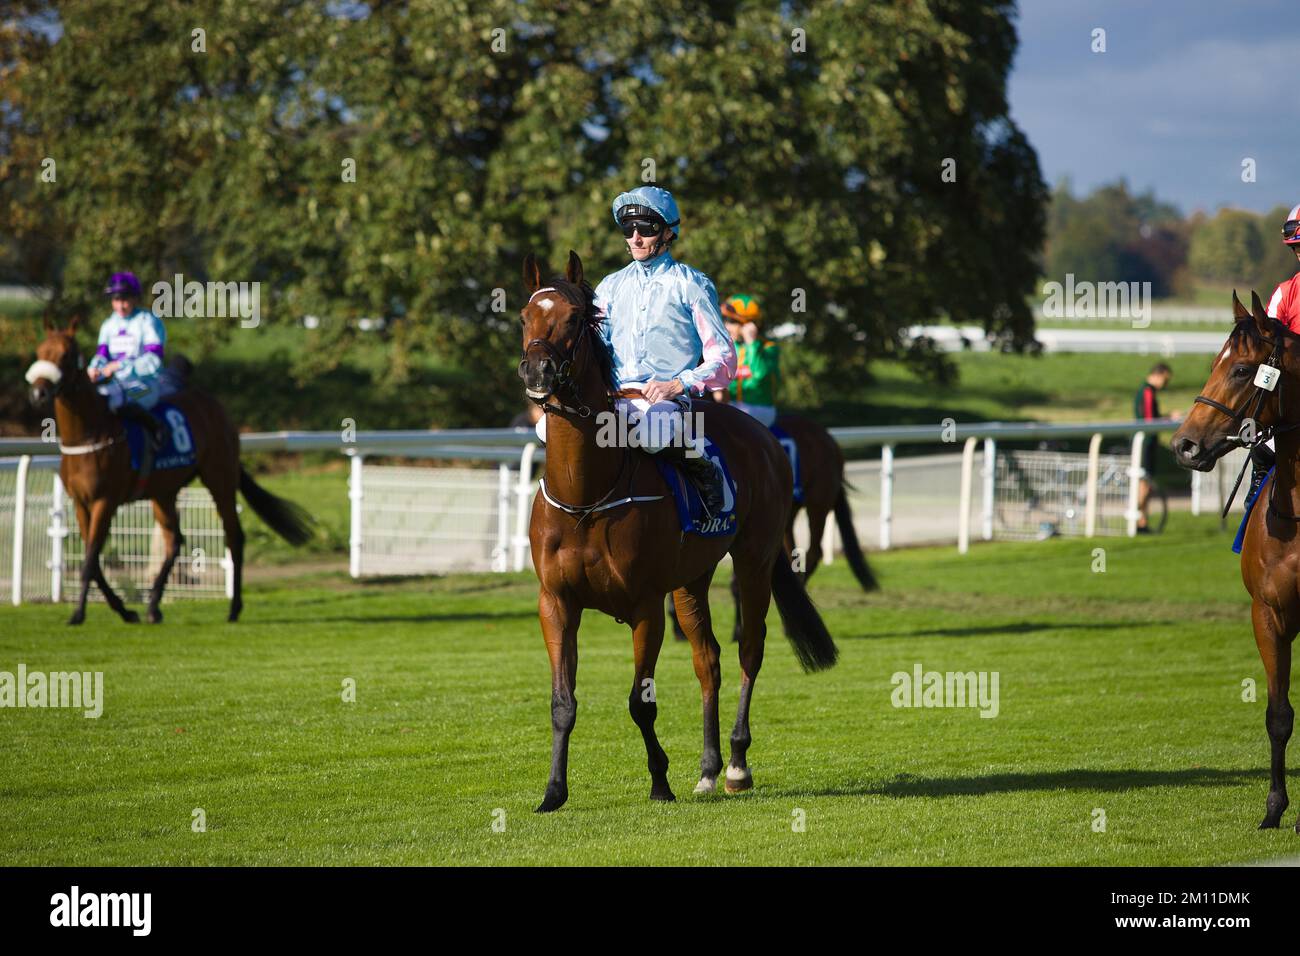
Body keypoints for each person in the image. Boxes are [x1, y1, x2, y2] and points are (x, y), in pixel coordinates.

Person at [534, 185, 735, 515]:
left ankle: (704, 470)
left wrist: (679, 384)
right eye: (629, 229)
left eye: (647, 229)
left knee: (651, 434)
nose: (636, 238)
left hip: (667, 402)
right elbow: (596, 349)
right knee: (546, 428)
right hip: (613, 401)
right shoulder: (610, 286)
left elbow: (724, 359)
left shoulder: (691, 284)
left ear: (669, 232)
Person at [86, 272, 171, 468]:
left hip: (147, 385)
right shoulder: (109, 325)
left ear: (135, 298)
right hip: (116, 385)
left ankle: (157, 431)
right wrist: (94, 368)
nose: (121, 305)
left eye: (125, 299)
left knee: (122, 401)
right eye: (116, 300)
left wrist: (121, 366)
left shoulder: (148, 321)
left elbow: (154, 361)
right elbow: (102, 355)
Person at [1246, 203, 1300, 495]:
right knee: (1261, 448)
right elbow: (1269, 353)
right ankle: (1255, 501)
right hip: (1292, 399)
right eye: (1297, 249)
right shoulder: (1286, 292)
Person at [721, 295, 779, 427]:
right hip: (733, 406)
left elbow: (759, 375)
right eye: (726, 320)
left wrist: (751, 344)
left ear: (748, 325)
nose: (727, 326)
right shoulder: (730, 347)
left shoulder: (769, 348)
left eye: (732, 321)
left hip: (761, 410)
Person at [1134, 363, 1171, 533]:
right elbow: (1150, 420)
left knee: (1145, 484)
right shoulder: (1147, 391)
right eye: (1166, 379)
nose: (1166, 384)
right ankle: (1139, 521)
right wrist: (1167, 420)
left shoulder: (1147, 391)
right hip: (1146, 443)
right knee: (1144, 484)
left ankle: (1141, 520)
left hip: (1147, 442)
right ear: (1159, 374)